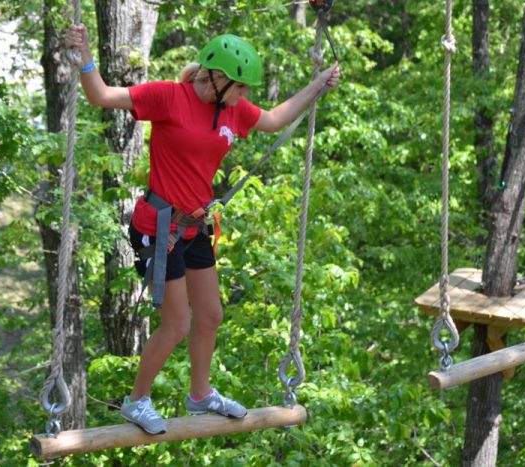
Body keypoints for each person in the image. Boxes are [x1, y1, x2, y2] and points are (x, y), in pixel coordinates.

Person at [66, 24, 340, 435]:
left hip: (195, 227)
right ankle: (136, 400)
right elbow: (101, 96)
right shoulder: (167, 97)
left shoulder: (231, 109)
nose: (244, 97)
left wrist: (317, 85)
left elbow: (274, 118)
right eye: (241, 87)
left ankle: (199, 395)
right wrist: (85, 56)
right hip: (158, 228)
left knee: (210, 315)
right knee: (177, 323)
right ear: (217, 79)